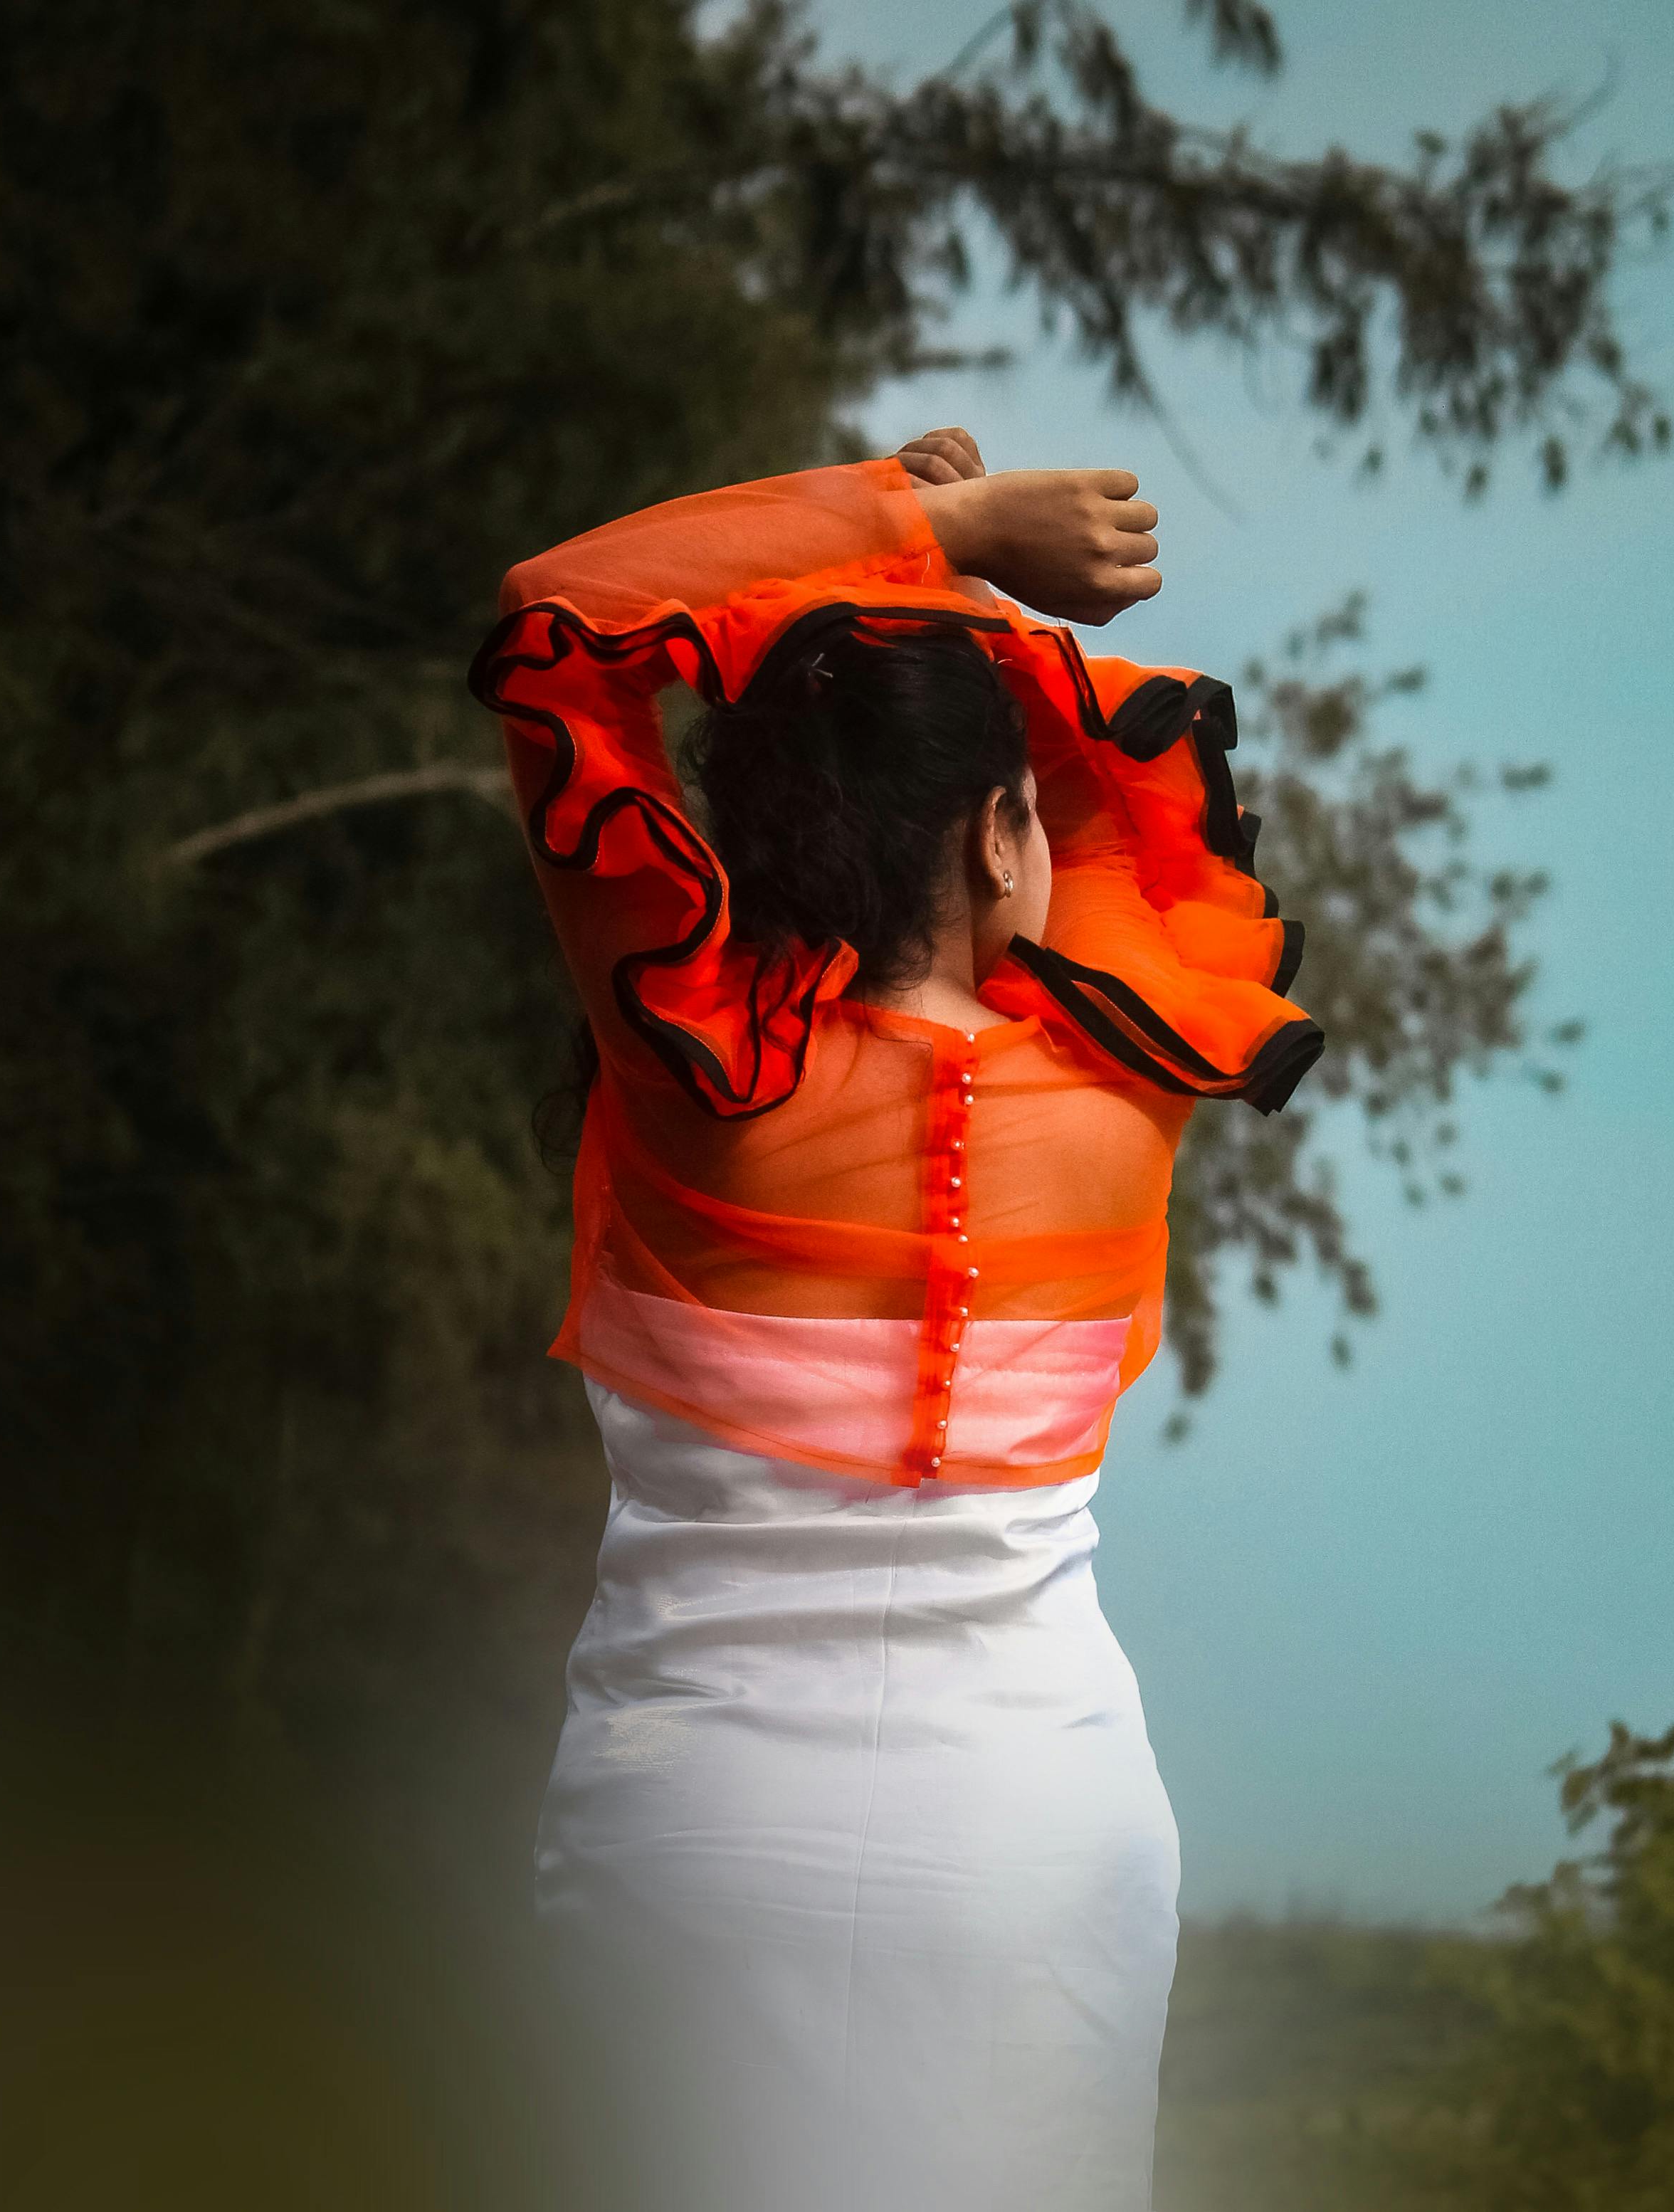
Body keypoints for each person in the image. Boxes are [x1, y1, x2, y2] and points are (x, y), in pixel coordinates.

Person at [470, 427, 1320, 2211]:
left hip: (693, 1832)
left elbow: (559, 622)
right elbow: (1111, 792)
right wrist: (961, 590)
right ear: (1004, 829)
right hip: (1034, 1835)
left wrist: (918, 529)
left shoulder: (690, 1055)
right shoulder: (1122, 1080)